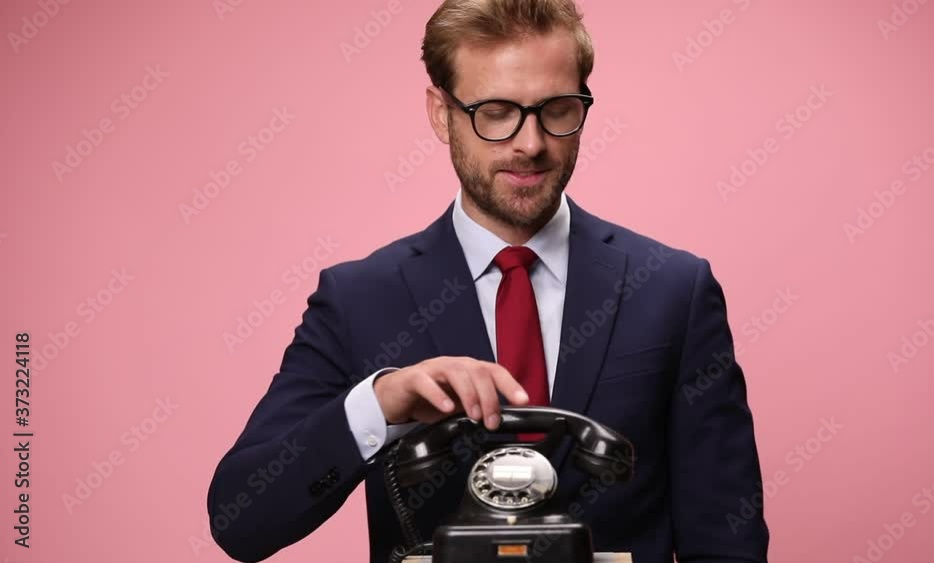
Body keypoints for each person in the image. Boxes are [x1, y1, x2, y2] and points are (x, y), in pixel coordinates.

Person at [207, 1, 769, 561]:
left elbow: (727, 542)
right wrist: (380, 405)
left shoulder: (673, 290)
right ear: (439, 112)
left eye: (557, 109)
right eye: (496, 111)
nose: (531, 143)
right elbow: (243, 520)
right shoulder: (358, 299)